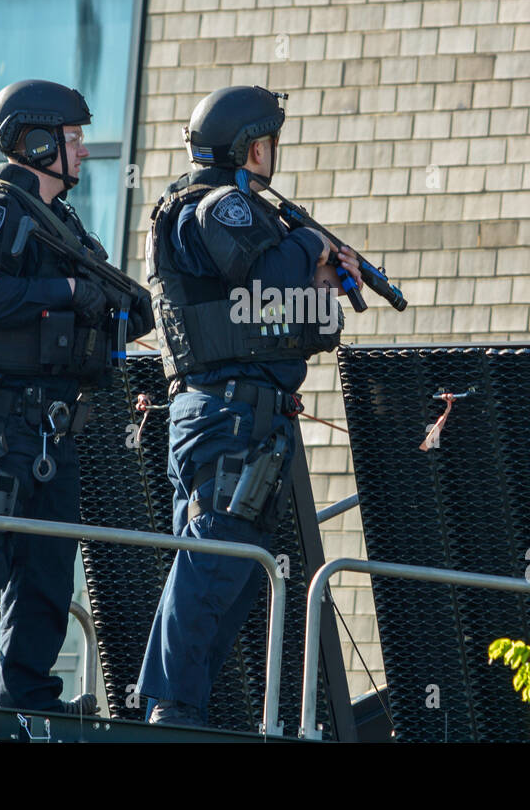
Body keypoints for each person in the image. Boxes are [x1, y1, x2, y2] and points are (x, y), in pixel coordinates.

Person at [0, 79, 153, 712]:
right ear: (36, 142)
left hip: (52, 428)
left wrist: (116, 302)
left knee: (46, 574)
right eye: (73, 139)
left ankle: (31, 704)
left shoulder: (61, 224)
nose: (83, 152)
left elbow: (118, 307)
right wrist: (68, 293)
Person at [138, 85, 363, 726]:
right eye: (269, 143)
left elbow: (306, 323)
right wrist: (310, 248)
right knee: (216, 554)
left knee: (231, 569)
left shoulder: (244, 216)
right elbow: (266, 280)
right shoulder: (219, 206)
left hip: (248, 412)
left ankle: (181, 704)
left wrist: (320, 280)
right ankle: (170, 707)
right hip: (226, 412)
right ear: (253, 146)